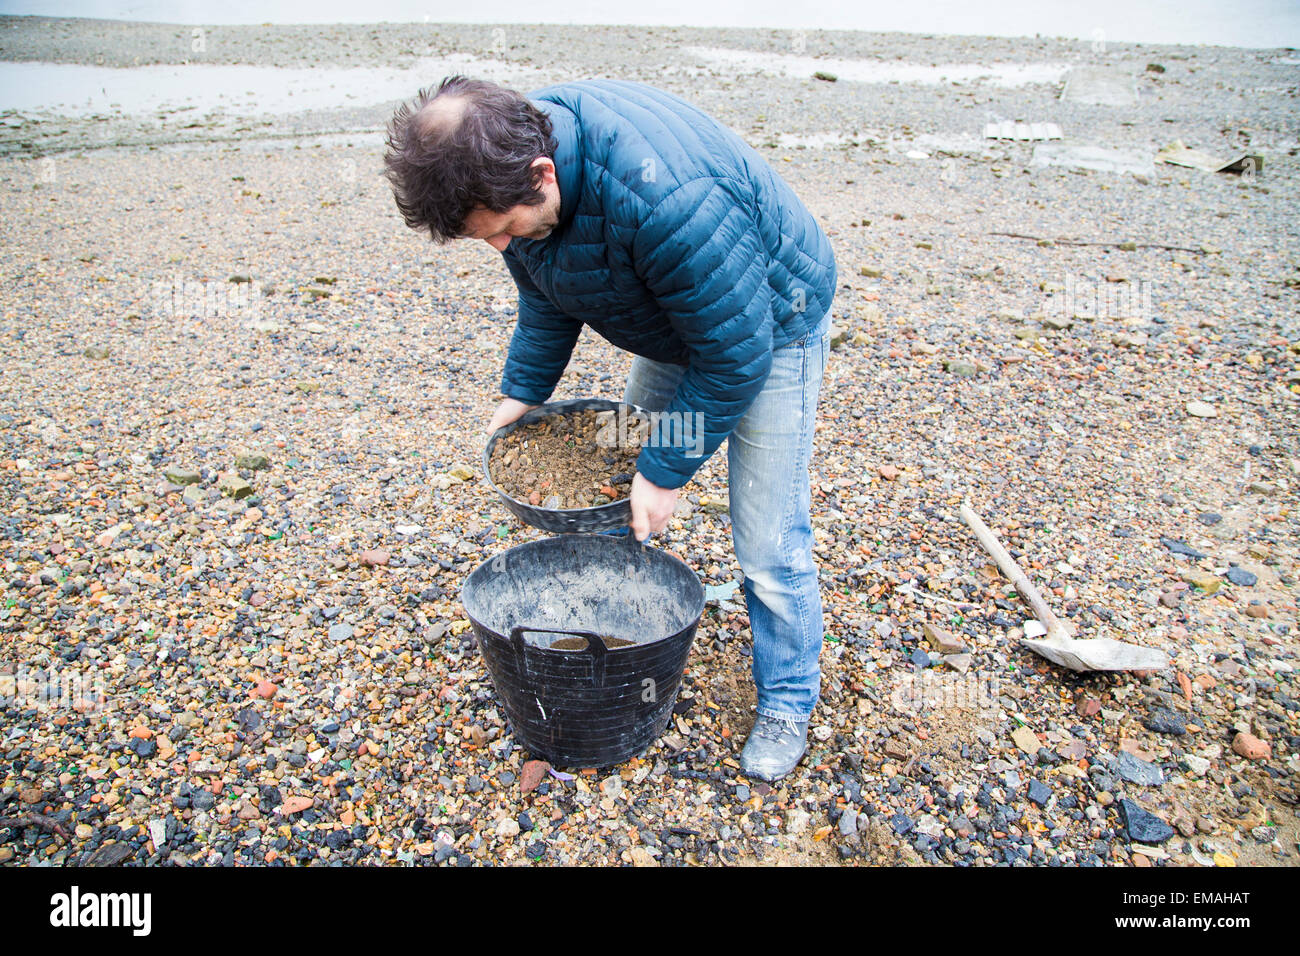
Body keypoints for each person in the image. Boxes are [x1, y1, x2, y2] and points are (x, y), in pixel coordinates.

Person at [384, 76, 837, 782]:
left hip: (771, 326)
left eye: (502, 228)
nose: (501, 244)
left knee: (768, 544)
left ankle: (786, 701)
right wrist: (522, 395)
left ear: (542, 172)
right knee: (618, 480)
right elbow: (546, 289)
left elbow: (735, 353)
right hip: (675, 317)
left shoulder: (670, 200)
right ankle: (618, 626)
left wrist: (667, 470)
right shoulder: (509, 167)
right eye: (486, 236)